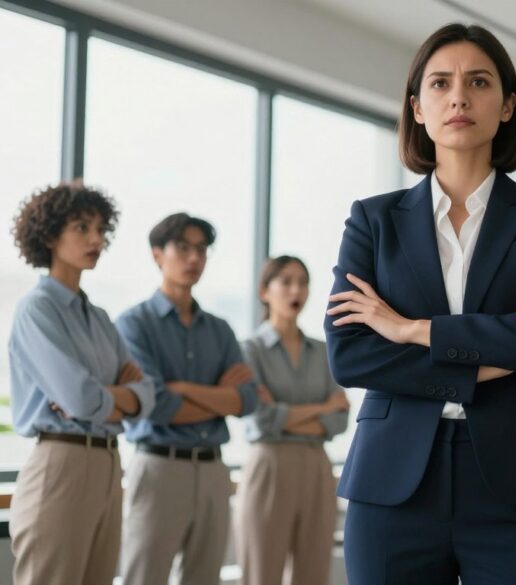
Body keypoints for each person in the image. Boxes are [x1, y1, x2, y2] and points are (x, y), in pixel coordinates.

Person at [324, 23, 516, 584]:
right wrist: (507, 339)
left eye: (479, 81)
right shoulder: (372, 220)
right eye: (440, 84)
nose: (459, 96)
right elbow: (350, 356)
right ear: (418, 108)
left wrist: (410, 329)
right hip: (393, 484)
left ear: (508, 105)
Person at [8, 182, 155, 585]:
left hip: (109, 462)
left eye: (101, 229)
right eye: (82, 228)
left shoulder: (102, 319)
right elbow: (80, 396)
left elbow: (148, 395)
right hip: (60, 465)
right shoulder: (37, 309)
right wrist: (113, 396)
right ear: (51, 235)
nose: (96, 239)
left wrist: (106, 396)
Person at [116, 212, 263, 585]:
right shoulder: (134, 323)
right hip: (159, 468)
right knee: (144, 576)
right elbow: (157, 405)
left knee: (205, 578)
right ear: (157, 255)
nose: (194, 258)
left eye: (201, 249)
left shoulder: (220, 328)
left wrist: (181, 389)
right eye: (183, 247)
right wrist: (220, 397)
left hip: (215, 471)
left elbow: (247, 401)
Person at [237, 255, 350, 585]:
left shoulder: (323, 350)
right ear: (264, 291)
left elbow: (340, 420)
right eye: (285, 281)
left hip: (317, 466)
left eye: (302, 281)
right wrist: (321, 407)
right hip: (269, 465)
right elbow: (261, 419)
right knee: (261, 573)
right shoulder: (249, 349)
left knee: (313, 574)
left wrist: (286, 414)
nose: (295, 289)